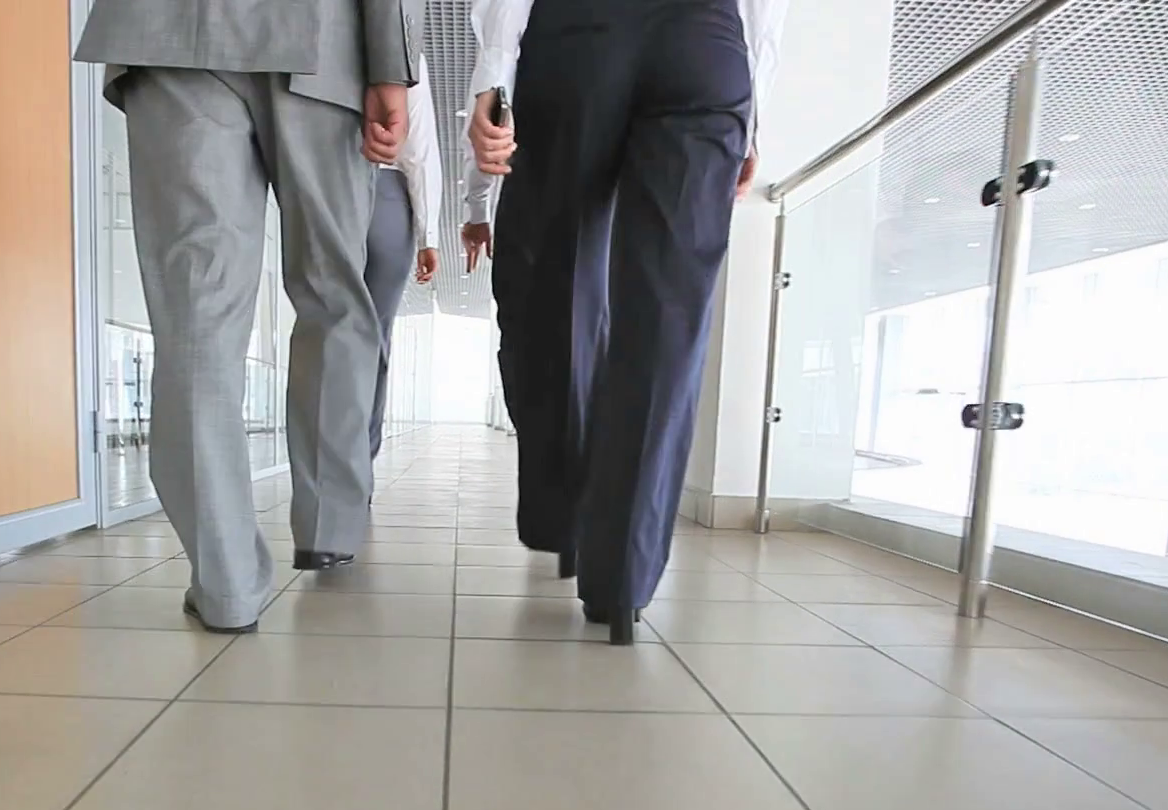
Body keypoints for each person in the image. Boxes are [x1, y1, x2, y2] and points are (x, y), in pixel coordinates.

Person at [75, 0, 423, 633]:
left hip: (168, 34)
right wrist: (391, 65)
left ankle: (226, 584)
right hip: (324, 40)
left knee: (196, 316)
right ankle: (328, 529)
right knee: (333, 294)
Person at [466, 0, 787, 643]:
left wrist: (494, 72)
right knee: (669, 310)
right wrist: (753, 110)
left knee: (549, 284)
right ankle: (623, 581)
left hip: (578, 34)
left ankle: (566, 520)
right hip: (707, 44)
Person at [367, 54, 444, 461]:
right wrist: (427, 236)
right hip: (386, 192)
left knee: (323, 330)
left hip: (322, 185)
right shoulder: (399, 36)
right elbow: (420, 148)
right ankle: (358, 468)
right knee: (374, 339)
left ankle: (321, 466)